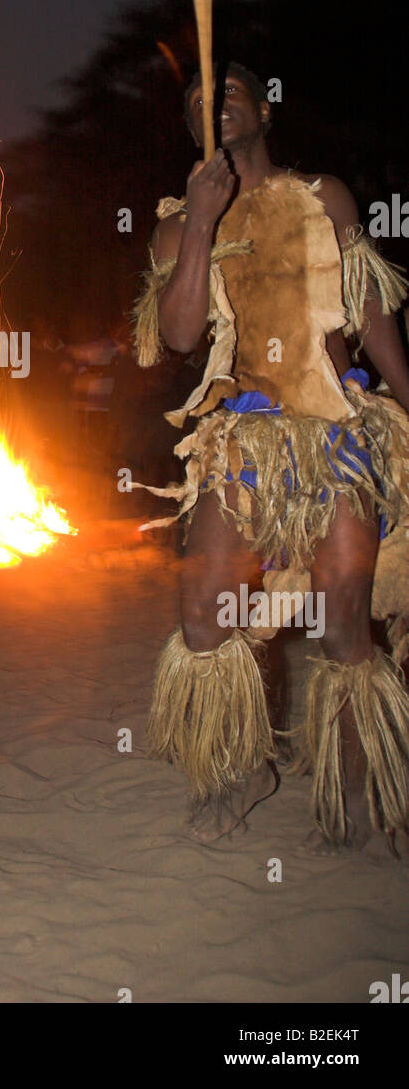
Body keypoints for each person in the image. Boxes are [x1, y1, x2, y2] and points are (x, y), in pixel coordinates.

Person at [133, 61, 409, 852]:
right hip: (241, 436)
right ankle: (242, 767)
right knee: (204, 616)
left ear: (264, 108)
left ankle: (366, 789)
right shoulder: (181, 221)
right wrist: (202, 223)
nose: (212, 105)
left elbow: (371, 312)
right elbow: (181, 337)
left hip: (334, 433)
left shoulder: (324, 195)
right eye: (195, 102)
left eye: (226, 92)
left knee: (344, 621)